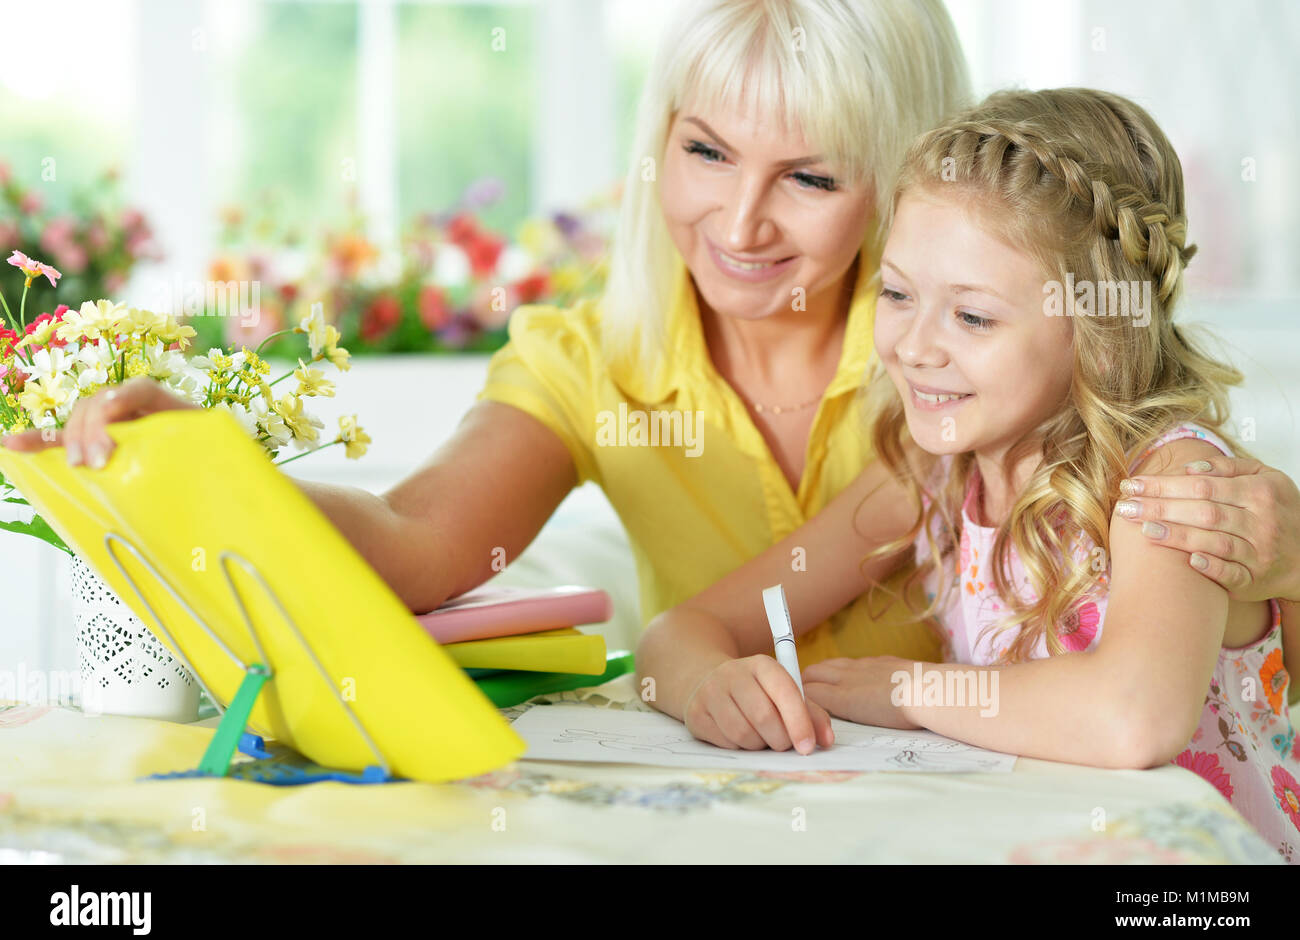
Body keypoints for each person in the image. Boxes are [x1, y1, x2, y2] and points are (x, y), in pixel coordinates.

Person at [3, 2, 1298, 759]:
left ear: (906, 184)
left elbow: (1142, 700)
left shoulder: (962, 388)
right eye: (704, 148)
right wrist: (212, 458)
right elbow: (416, 538)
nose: (740, 224)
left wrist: (1285, 547)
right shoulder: (908, 431)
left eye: (810, 173)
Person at [637, 86, 1300, 861]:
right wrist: (708, 686)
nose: (915, 346)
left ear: (1100, 330)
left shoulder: (1169, 481)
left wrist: (909, 691)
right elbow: (678, 632)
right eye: (897, 293)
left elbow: (1133, 713)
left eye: (973, 316)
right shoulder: (932, 477)